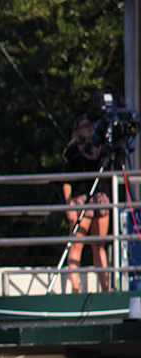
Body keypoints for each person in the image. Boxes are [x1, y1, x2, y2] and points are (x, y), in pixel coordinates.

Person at [60, 114, 111, 293]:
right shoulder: (73, 151)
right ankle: (75, 288)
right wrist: (70, 206)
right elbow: (66, 181)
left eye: (91, 125)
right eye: (85, 125)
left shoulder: (103, 148)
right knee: (77, 244)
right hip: (81, 199)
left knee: (99, 245)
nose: (89, 128)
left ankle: (105, 288)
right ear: (78, 131)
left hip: (100, 198)